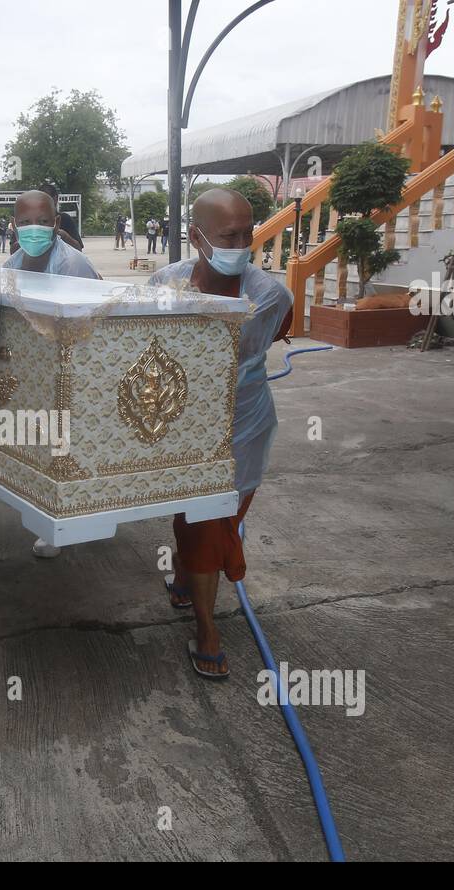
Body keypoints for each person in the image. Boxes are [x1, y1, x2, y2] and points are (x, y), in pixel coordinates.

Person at [148, 189, 292, 678]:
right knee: (193, 516)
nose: (244, 243)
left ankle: (199, 610)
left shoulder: (270, 294)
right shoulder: (164, 284)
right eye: (230, 235)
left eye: (248, 232)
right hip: (183, 424)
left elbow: (268, 340)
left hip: (243, 425)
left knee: (217, 520)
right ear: (196, 237)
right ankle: (202, 612)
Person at [4, 189, 101, 560]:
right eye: (25, 222)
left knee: (68, 448)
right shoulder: (11, 265)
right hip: (32, 369)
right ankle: (47, 514)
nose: (34, 229)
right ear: (14, 226)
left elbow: (91, 325)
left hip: (73, 368)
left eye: (43, 222)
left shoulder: (73, 266)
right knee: (37, 446)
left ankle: (67, 522)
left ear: (56, 224)